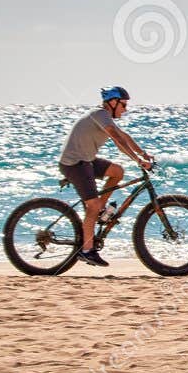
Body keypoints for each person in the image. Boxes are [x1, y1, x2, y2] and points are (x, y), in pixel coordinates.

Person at [59, 86, 153, 267]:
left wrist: (143, 154)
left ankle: (100, 210)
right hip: (74, 163)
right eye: (123, 105)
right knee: (92, 206)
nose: (125, 109)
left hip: (86, 160)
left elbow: (124, 136)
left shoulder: (105, 117)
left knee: (117, 172)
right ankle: (87, 251)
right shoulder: (100, 114)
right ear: (113, 102)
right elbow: (117, 139)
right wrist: (138, 161)